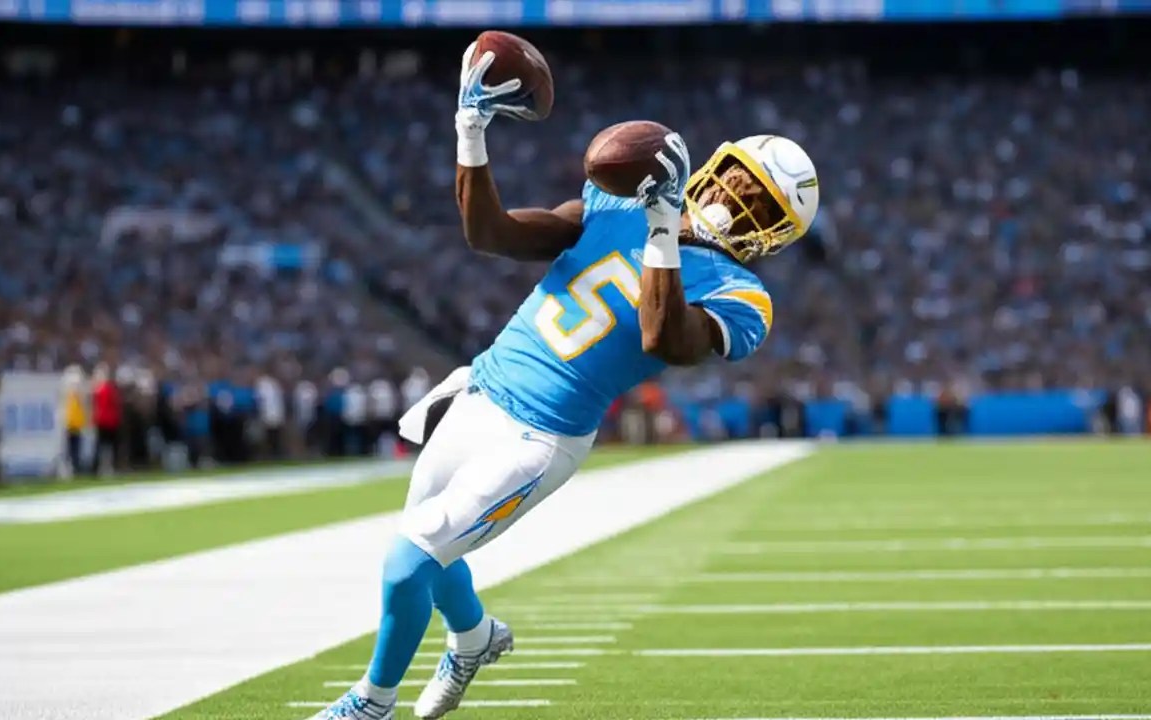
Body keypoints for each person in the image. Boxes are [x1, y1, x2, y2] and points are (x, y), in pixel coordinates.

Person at [312, 42, 818, 720]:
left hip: (539, 436)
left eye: (758, 204)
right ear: (714, 167)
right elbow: (489, 233)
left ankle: (370, 703)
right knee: (429, 546)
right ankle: (474, 638)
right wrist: (471, 130)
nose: (733, 200)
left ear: (773, 237)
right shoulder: (612, 207)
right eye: (736, 180)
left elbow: (663, 336)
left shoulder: (743, 294)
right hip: (482, 391)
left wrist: (666, 227)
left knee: (410, 562)